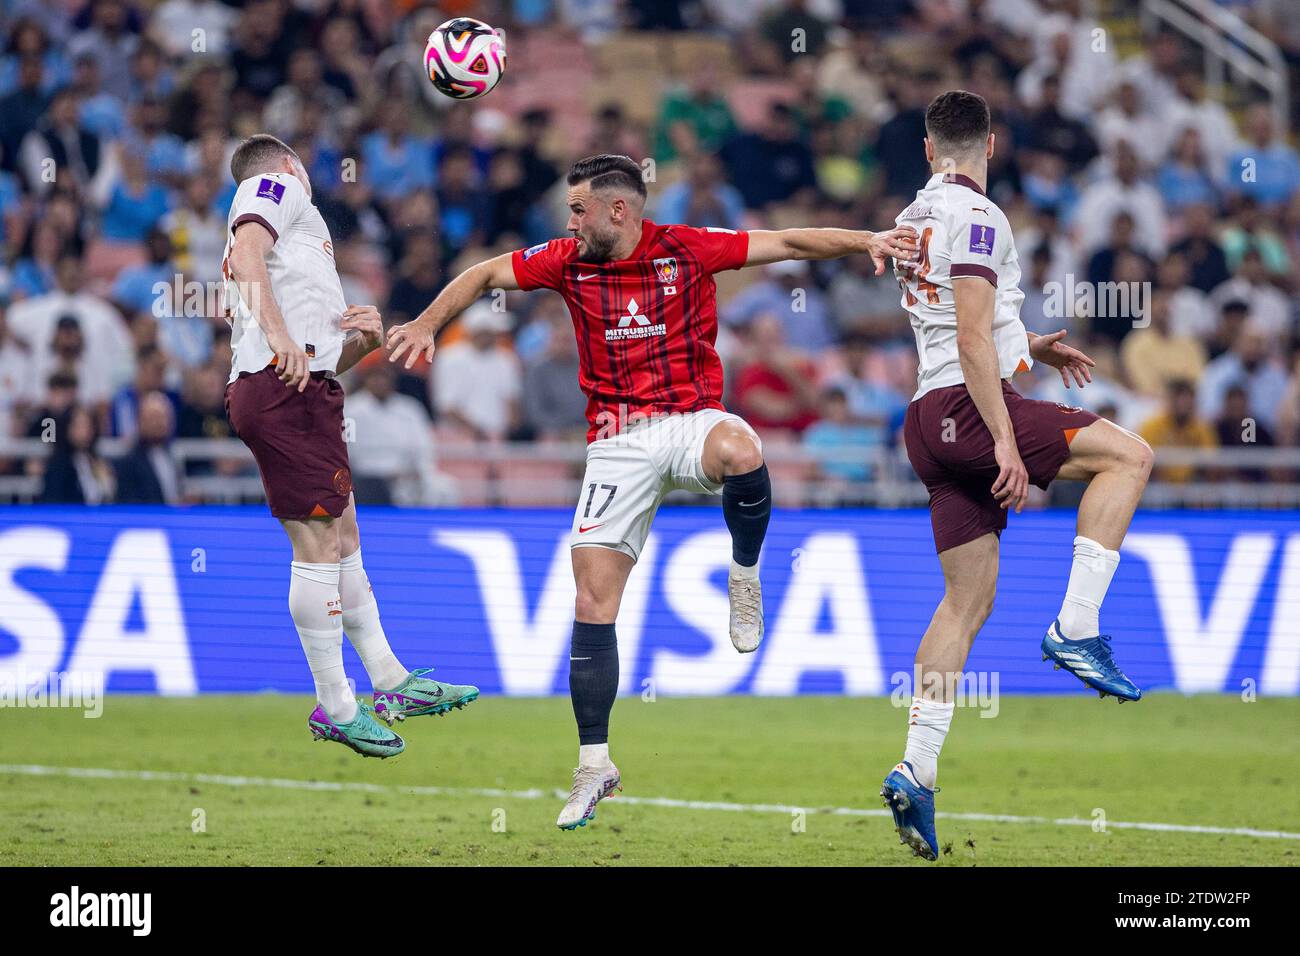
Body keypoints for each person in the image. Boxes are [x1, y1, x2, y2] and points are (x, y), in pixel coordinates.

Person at [386, 153, 918, 831]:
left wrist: (864, 240)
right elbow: (486, 271)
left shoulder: (687, 249)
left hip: (689, 423)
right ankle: (593, 764)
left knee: (744, 448)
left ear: (619, 209)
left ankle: (744, 572)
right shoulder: (565, 260)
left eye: (578, 209)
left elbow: (786, 242)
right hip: (614, 442)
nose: (568, 221)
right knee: (592, 600)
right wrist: (430, 321)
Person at [882, 91, 1154, 861]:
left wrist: (1032, 345)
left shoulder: (913, 216)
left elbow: (958, 324)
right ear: (991, 147)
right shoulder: (981, 217)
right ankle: (1077, 626)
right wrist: (1003, 438)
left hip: (925, 425)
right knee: (1130, 456)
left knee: (965, 602)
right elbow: (969, 337)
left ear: (930, 149)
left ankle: (916, 769)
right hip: (972, 409)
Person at [220, 134, 478, 760]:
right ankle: (337, 705)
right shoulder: (272, 187)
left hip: (305, 388)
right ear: (289, 165)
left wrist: (362, 343)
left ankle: (390, 682)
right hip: (278, 387)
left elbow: (323, 361)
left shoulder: (304, 239)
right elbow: (248, 250)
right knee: (316, 543)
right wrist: (280, 336)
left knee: (343, 539)